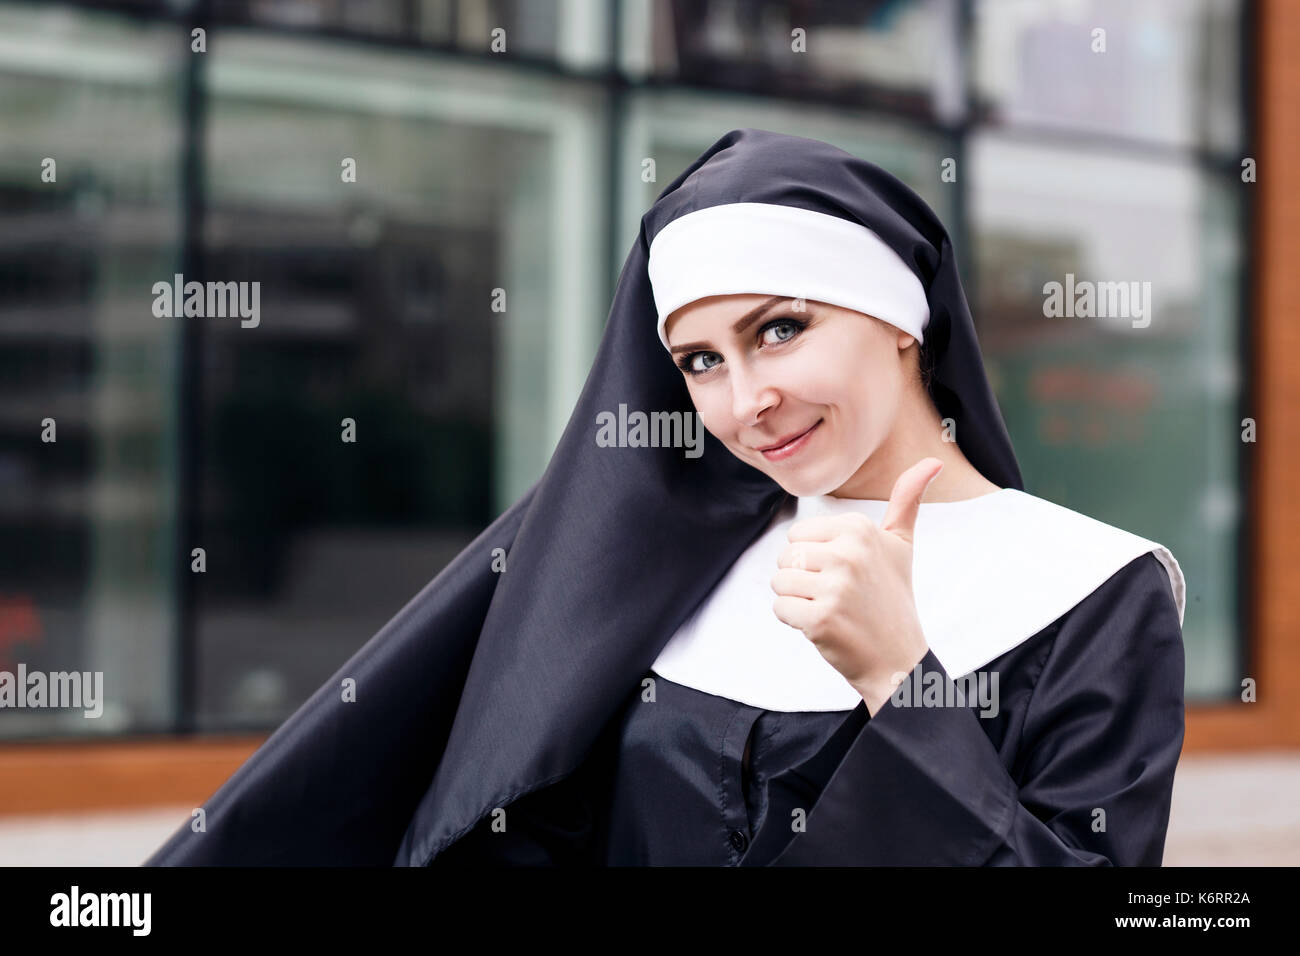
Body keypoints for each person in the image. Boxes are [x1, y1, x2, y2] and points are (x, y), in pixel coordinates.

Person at [144, 128, 1185, 868]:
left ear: (900, 320)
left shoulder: (1094, 588)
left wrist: (897, 676)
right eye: (698, 358)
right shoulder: (663, 565)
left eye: (781, 327)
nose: (747, 398)